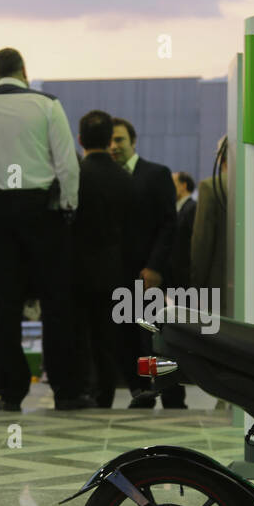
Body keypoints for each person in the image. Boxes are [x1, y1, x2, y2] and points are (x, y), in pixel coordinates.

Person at [0, 47, 89, 411]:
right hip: (42, 209)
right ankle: (65, 390)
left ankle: (10, 393)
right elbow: (67, 162)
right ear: (24, 72)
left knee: (4, 303)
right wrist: (68, 206)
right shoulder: (47, 104)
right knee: (56, 303)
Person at [109, 117, 176, 408]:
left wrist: (156, 267)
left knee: (154, 337)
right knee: (123, 338)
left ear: (133, 141)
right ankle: (139, 392)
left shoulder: (156, 174)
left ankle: (171, 396)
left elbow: (168, 224)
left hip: (148, 274)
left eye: (120, 140)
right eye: (110, 141)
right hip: (115, 273)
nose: (114, 146)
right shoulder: (107, 178)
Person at [72, 110, 135, 407]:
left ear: (80, 138)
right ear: (109, 139)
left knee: (78, 335)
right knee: (108, 338)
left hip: (76, 270)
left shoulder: (74, 176)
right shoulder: (125, 179)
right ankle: (105, 394)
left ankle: (81, 389)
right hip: (115, 271)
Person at [160, 171, 197, 409]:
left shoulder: (191, 209)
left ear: (183, 185)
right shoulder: (179, 210)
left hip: (183, 283)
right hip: (174, 283)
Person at [191, 136, 228, 302]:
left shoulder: (210, 187)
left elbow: (202, 243)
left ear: (220, 158)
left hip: (217, 289)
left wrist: (194, 285)